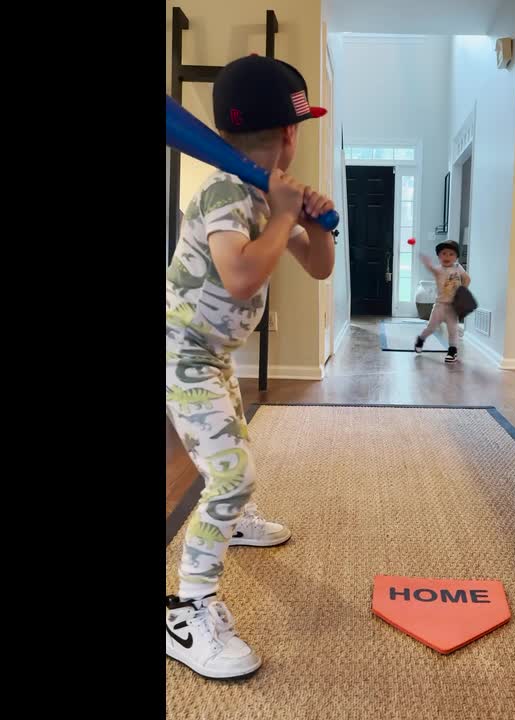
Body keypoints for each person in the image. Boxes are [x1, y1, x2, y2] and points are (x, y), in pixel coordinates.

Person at [165, 54, 334, 679]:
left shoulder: (261, 195)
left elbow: (316, 267)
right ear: (291, 132)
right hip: (183, 354)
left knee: (234, 445)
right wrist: (288, 212)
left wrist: (314, 224)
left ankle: (231, 524)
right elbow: (239, 276)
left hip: (211, 353)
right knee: (230, 473)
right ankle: (188, 611)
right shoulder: (224, 192)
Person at [414, 241, 471, 363]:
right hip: (440, 305)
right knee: (431, 327)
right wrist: (426, 262)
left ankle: (452, 350)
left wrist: (463, 292)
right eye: (443, 254)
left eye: (451, 254)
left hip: (453, 306)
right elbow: (431, 268)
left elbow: (467, 278)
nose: (447, 257)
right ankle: (421, 339)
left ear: (456, 257)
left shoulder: (458, 267)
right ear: (439, 256)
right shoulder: (438, 269)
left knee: (453, 329)